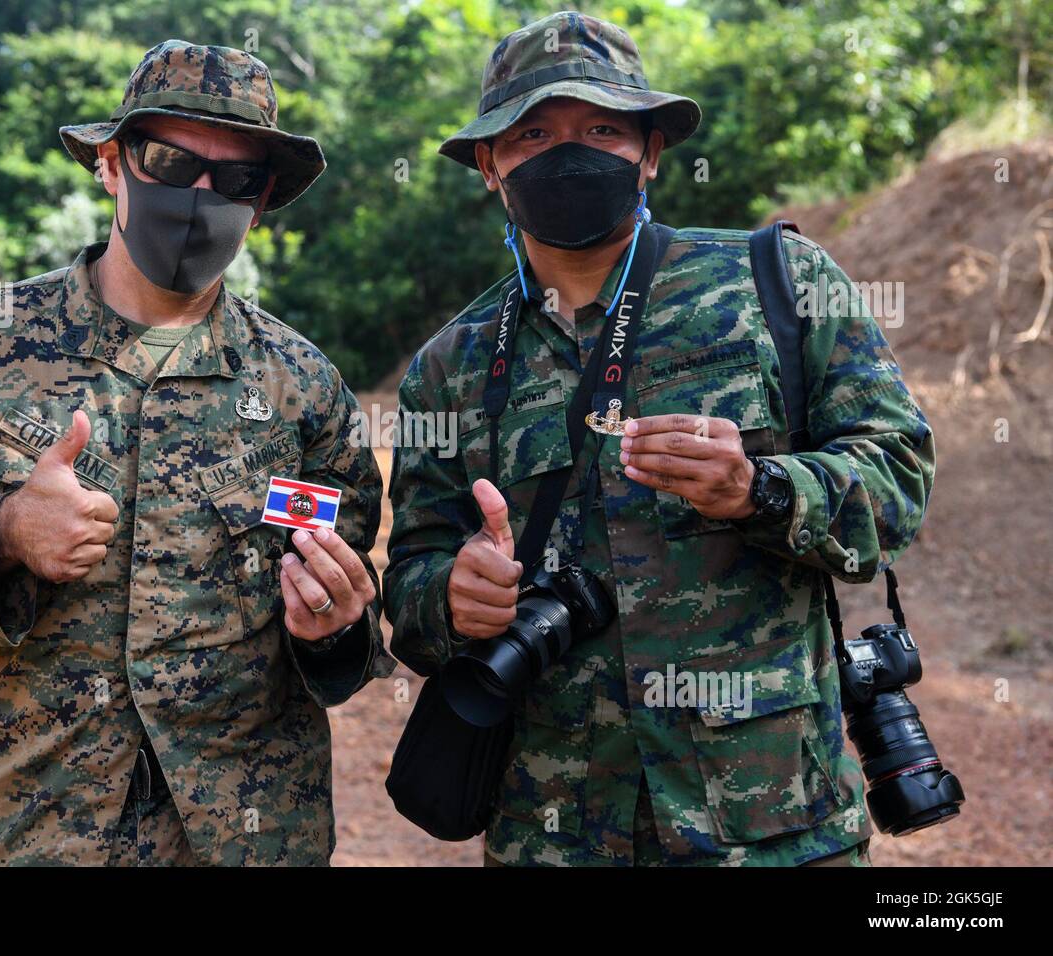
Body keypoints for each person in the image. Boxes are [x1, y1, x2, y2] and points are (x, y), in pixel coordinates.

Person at [0, 40, 394, 866]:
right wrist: (4, 534)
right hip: (32, 834)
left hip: (250, 839)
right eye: (169, 160)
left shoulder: (303, 388)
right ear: (111, 166)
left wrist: (334, 629)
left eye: (234, 179)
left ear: (262, 201)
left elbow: (345, 597)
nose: (200, 195)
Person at [384, 11, 932, 866]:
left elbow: (897, 483)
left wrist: (763, 489)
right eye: (534, 133)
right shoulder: (449, 368)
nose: (570, 152)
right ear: (490, 165)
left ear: (650, 151)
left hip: (776, 829)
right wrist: (453, 599)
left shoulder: (776, 283)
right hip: (558, 834)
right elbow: (412, 591)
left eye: (602, 127)